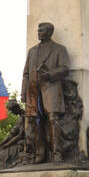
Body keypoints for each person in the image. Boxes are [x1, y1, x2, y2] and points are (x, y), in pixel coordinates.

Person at [20, 22, 71, 163]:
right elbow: (25, 74)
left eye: (41, 30)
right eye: (38, 30)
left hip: (51, 89)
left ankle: (57, 153)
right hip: (33, 91)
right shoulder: (32, 51)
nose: (38, 32)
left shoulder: (59, 49)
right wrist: (23, 92)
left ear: (49, 32)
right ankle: (39, 154)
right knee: (35, 122)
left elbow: (65, 68)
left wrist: (49, 74)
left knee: (53, 120)